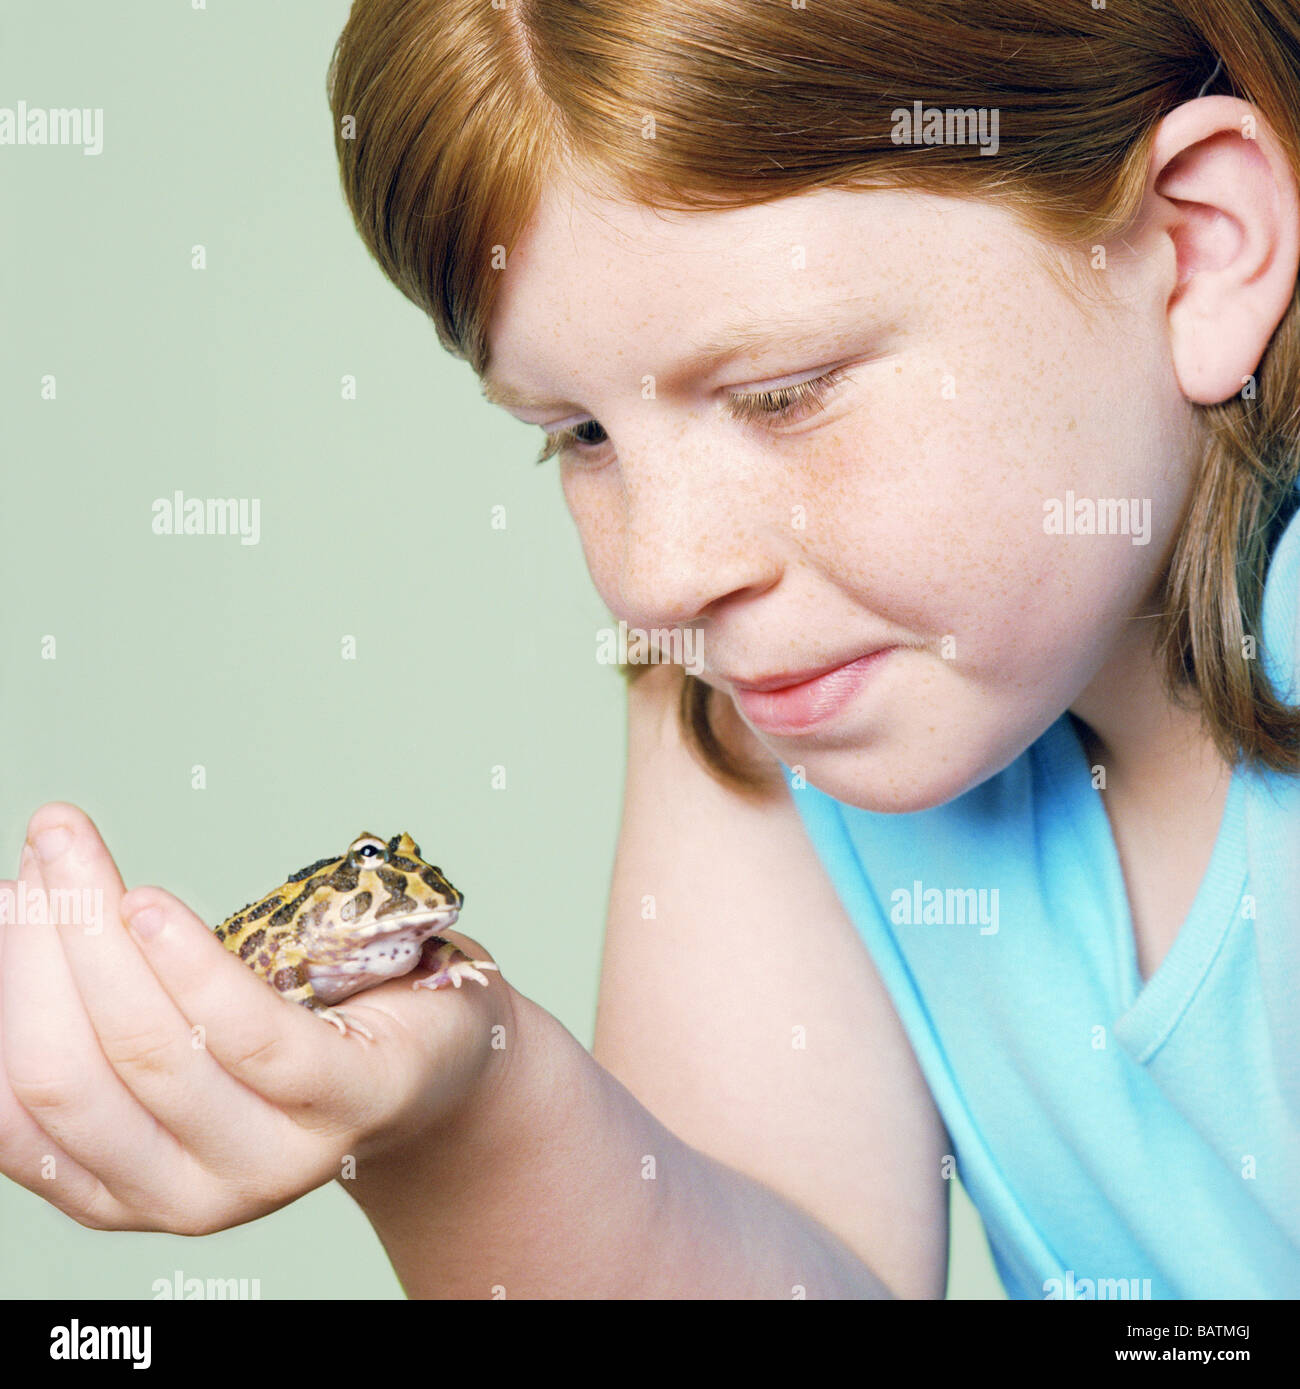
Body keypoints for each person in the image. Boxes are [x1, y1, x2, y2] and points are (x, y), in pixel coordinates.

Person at [3, 0, 1298, 1298]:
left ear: (1197, 249)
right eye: (579, 435)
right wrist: (466, 1112)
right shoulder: (783, 694)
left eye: (784, 391)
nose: (664, 574)